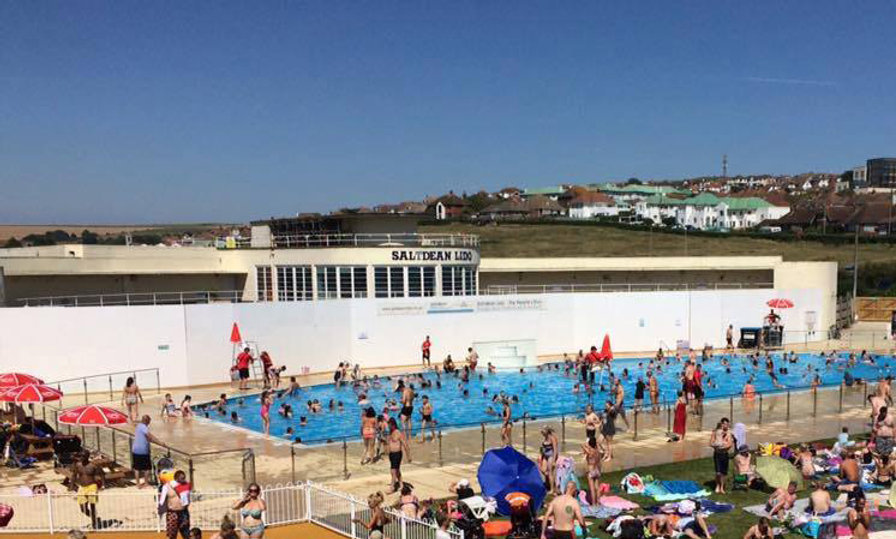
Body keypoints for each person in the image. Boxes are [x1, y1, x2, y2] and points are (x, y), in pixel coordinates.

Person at [72, 451, 104, 529]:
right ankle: (95, 518)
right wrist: (72, 485)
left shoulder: (93, 466)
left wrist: (102, 484)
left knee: (92, 506)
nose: (81, 458)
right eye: (81, 456)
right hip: (82, 487)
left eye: (83, 456)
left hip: (92, 486)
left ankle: (94, 523)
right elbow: (74, 475)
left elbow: (102, 474)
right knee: (83, 508)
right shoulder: (78, 465)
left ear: (87, 457)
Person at [159, 469, 191, 539]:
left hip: (183, 512)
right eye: (181, 478)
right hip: (172, 513)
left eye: (184, 478)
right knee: (171, 535)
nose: (183, 480)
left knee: (186, 534)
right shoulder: (167, 486)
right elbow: (162, 501)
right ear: (176, 478)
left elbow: (188, 499)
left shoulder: (185, 485)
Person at [132, 415, 161, 489]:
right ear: (147, 421)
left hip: (135, 449)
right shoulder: (144, 427)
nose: (149, 424)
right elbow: (150, 436)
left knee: (137, 468)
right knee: (147, 468)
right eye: (149, 422)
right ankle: (146, 483)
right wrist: (160, 442)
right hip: (143, 450)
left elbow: (147, 437)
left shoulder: (138, 426)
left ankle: (138, 484)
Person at [386, 417, 411, 493]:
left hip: (397, 454)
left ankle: (392, 487)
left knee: (393, 471)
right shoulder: (390, 433)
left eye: (390, 425)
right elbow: (388, 444)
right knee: (395, 470)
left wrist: (408, 456)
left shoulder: (398, 433)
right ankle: (401, 485)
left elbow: (405, 444)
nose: (389, 426)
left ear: (393, 425)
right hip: (391, 454)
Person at [709, 418, 733, 494]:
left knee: (723, 472)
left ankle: (722, 487)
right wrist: (717, 446)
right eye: (725, 424)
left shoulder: (729, 433)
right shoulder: (715, 432)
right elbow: (711, 443)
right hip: (717, 454)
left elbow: (730, 444)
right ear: (721, 424)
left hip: (725, 454)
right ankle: (717, 485)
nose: (726, 425)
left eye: (727, 424)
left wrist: (723, 446)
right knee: (718, 472)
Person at [582, 436, 603, 504]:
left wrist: (587, 444)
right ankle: (598, 502)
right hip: (597, 470)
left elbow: (582, 445)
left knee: (592, 489)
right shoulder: (597, 451)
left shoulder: (589, 452)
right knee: (597, 487)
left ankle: (593, 503)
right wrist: (595, 443)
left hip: (591, 471)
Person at [539, 426, 559, 494]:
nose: (542, 434)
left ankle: (552, 489)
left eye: (543, 432)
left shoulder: (552, 438)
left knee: (550, 472)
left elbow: (555, 449)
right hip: (545, 455)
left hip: (551, 455)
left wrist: (554, 460)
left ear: (546, 432)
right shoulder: (545, 438)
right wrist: (540, 456)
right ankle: (551, 484)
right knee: (543, 470)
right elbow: (542, 448)